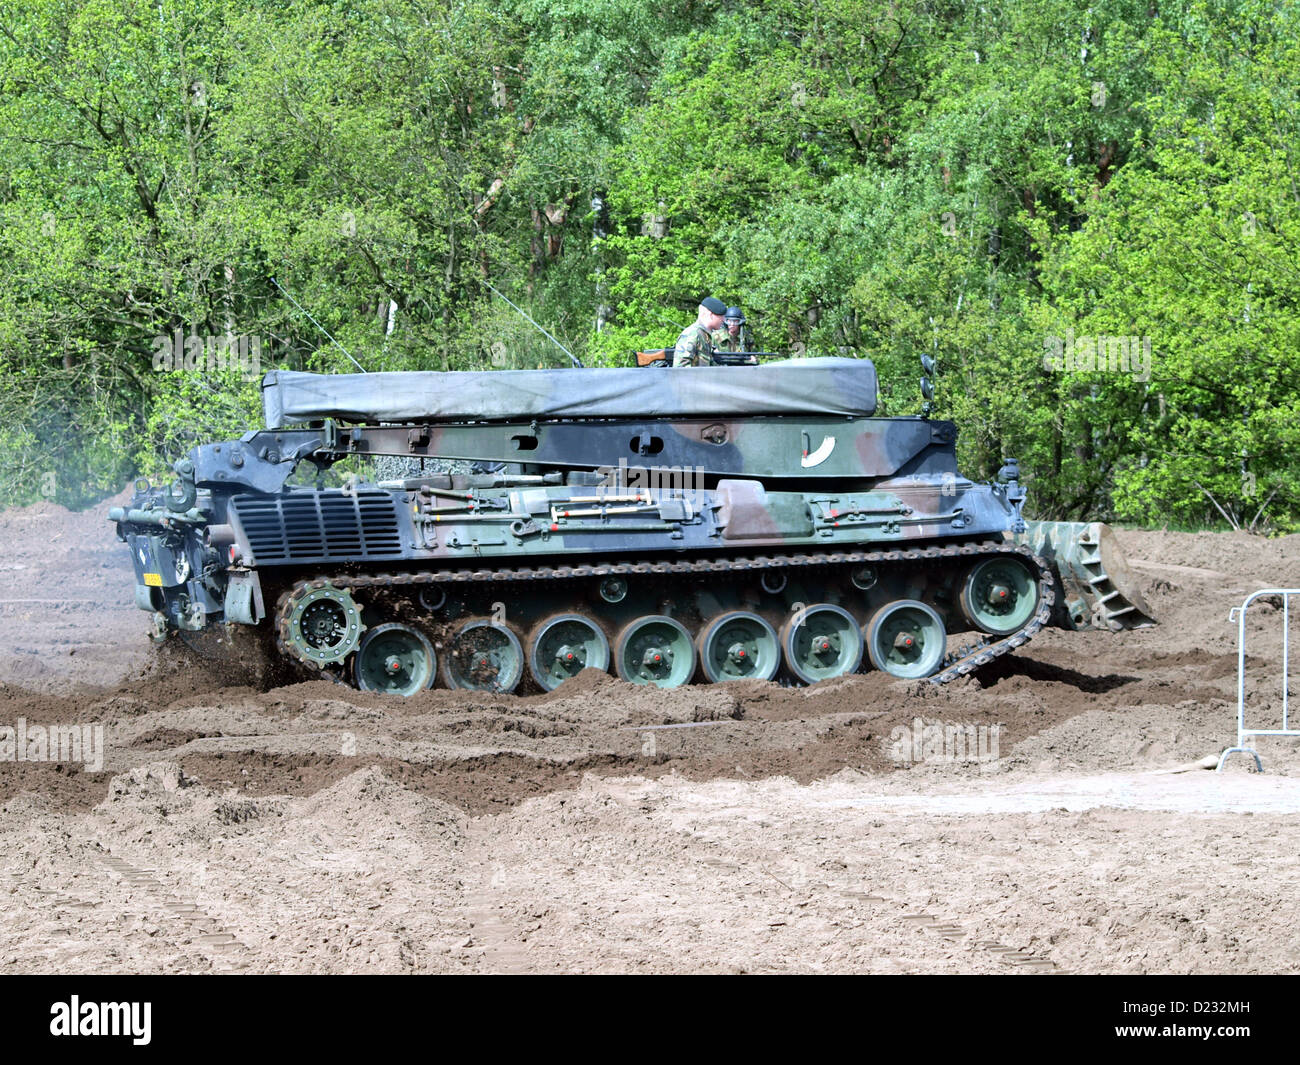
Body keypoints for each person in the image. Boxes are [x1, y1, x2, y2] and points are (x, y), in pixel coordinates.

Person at [672, 296, 726, 367]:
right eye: (721, 316)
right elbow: (680, 369)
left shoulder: (705, 336)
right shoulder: (693, 334)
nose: (724, 320)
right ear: (710, 315)